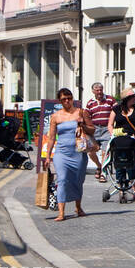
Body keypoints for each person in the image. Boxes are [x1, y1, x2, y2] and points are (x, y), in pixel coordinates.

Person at [45, 88, 94, 221]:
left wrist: (82, 124)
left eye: (69, 98)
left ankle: (78, 207)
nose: (67, 101)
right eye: (64, 99)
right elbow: (51, 138)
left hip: (78, 152)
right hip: (61, 153)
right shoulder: (55, 116)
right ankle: (61, 212)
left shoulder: (81, 112)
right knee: (62, 180)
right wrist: (48, 156)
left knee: (78, 180)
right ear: (59, 101)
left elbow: (92, 130)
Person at [85, 82, 115, 182]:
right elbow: (87, 116)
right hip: (95, 129)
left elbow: (117, 112)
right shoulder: (90, 103)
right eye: (97, 90)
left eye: (101, 89)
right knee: (91, 151)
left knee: (105, 151)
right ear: (93, 91)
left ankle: (103, 173)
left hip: (106, 128)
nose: (99, 92)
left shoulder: (110, 100)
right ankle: (99, 166)